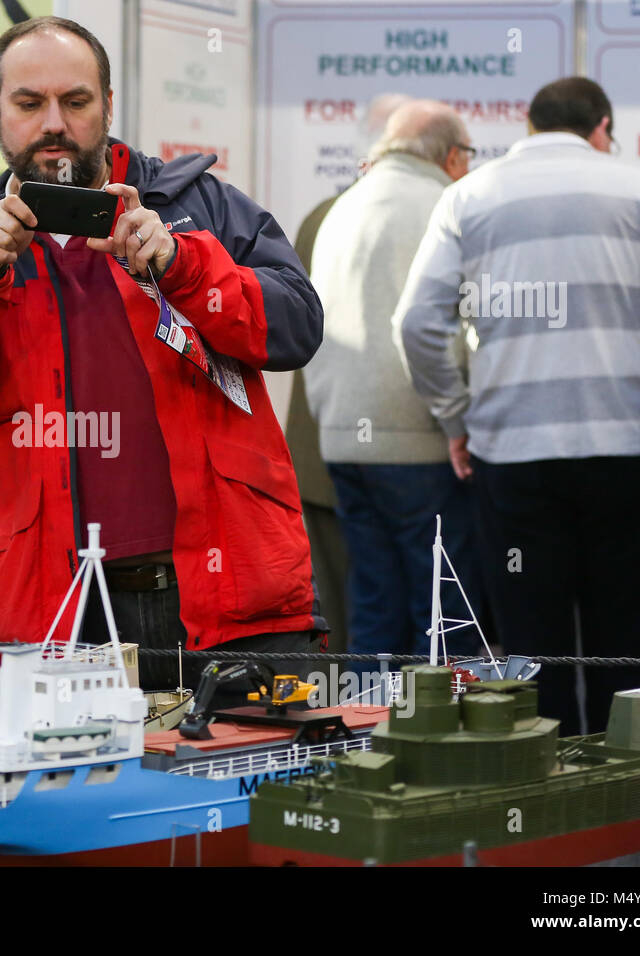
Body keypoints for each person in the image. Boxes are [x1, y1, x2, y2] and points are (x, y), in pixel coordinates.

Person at [0, 16, 325, 690]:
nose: (54, 123)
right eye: (30, 104)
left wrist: (183, 265)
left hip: (221, 592)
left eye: (76, 101)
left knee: (250, 782)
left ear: (109, 106)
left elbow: (297, 327)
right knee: (76, 793)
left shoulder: (193, 204)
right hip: (57, 612)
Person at [393, 77, 640, 734]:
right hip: (623, 450)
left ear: (532, 127)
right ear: (601, 128)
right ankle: (623, 800)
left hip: (514, 457)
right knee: (623, 645)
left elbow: (416, 324)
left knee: (532, 651)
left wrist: (458, 417)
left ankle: (546, 810)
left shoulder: (468, 195)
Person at [306, 100, 482, 664]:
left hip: (341, 440)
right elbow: (449, 330)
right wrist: (458, 415)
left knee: (374, 605)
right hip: (419, 442)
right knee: (443, 615)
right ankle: (447, 744)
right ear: (452, 156)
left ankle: (366, 739)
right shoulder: (445, 206)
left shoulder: (341, 206)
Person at [280, 92, 411, 656]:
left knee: (344, 629)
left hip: (322, 453)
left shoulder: (320, 216)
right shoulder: (427, 212)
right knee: (397, 628)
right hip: (396, 456)